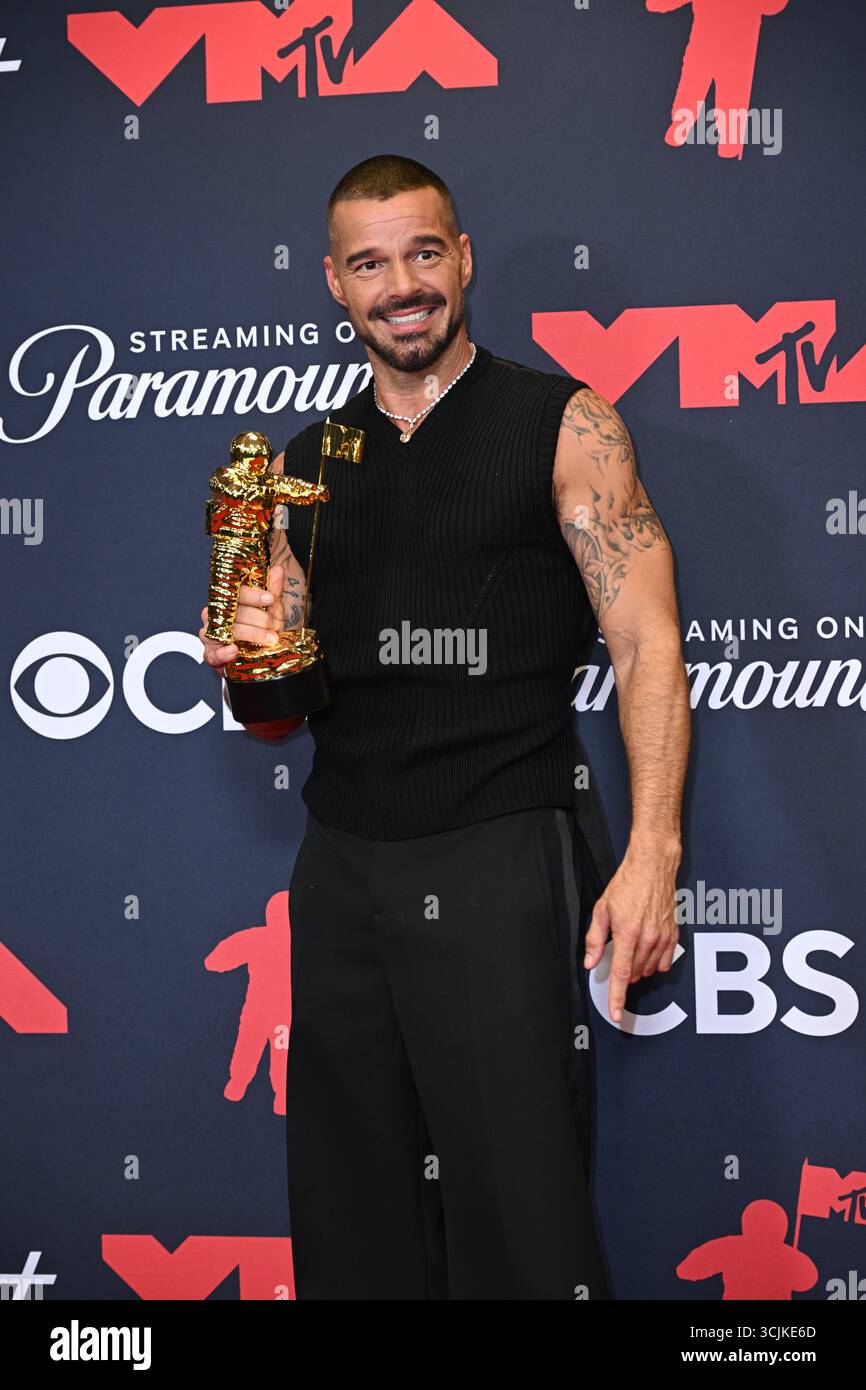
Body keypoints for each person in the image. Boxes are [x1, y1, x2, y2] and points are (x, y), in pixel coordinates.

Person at [198, 154, 691, 1300]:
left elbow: (646, 645)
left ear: (461, 259)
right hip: (342, 868)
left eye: (423, 252)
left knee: (522, 1223)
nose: (400, 284)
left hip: (500, 852)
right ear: (333, 282)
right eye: (369, 264)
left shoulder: (564, 425)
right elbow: (276, 719)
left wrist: (652, 852)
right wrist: (250, 657)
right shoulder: (306, 465)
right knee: (352, 1219)